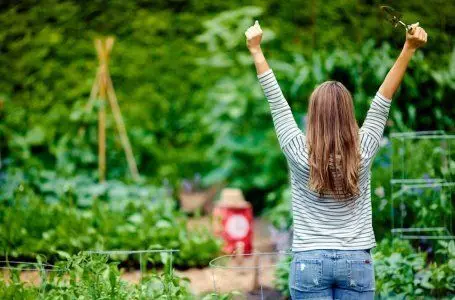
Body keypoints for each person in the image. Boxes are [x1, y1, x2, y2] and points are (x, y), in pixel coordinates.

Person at [245, 20, 427, 299]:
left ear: (313, 116)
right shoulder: (363, 150)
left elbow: (276, 101)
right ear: (348, 113)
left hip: (309, 260)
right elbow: (383, 100)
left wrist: (256, 50)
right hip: (356, 260)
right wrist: (408, 48)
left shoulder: (297, 150)